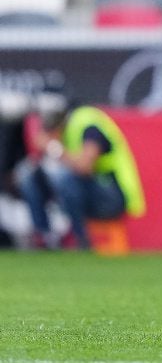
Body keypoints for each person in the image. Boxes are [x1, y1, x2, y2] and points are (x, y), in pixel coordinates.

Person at [15, 92, 146, 250]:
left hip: (112, 195)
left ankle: (82, 240)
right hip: (86, 192)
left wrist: (53, 148)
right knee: (28, 175)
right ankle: (45, 237)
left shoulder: (86, 122)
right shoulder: (64, 130)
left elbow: (84, 167)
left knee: (63, 178)